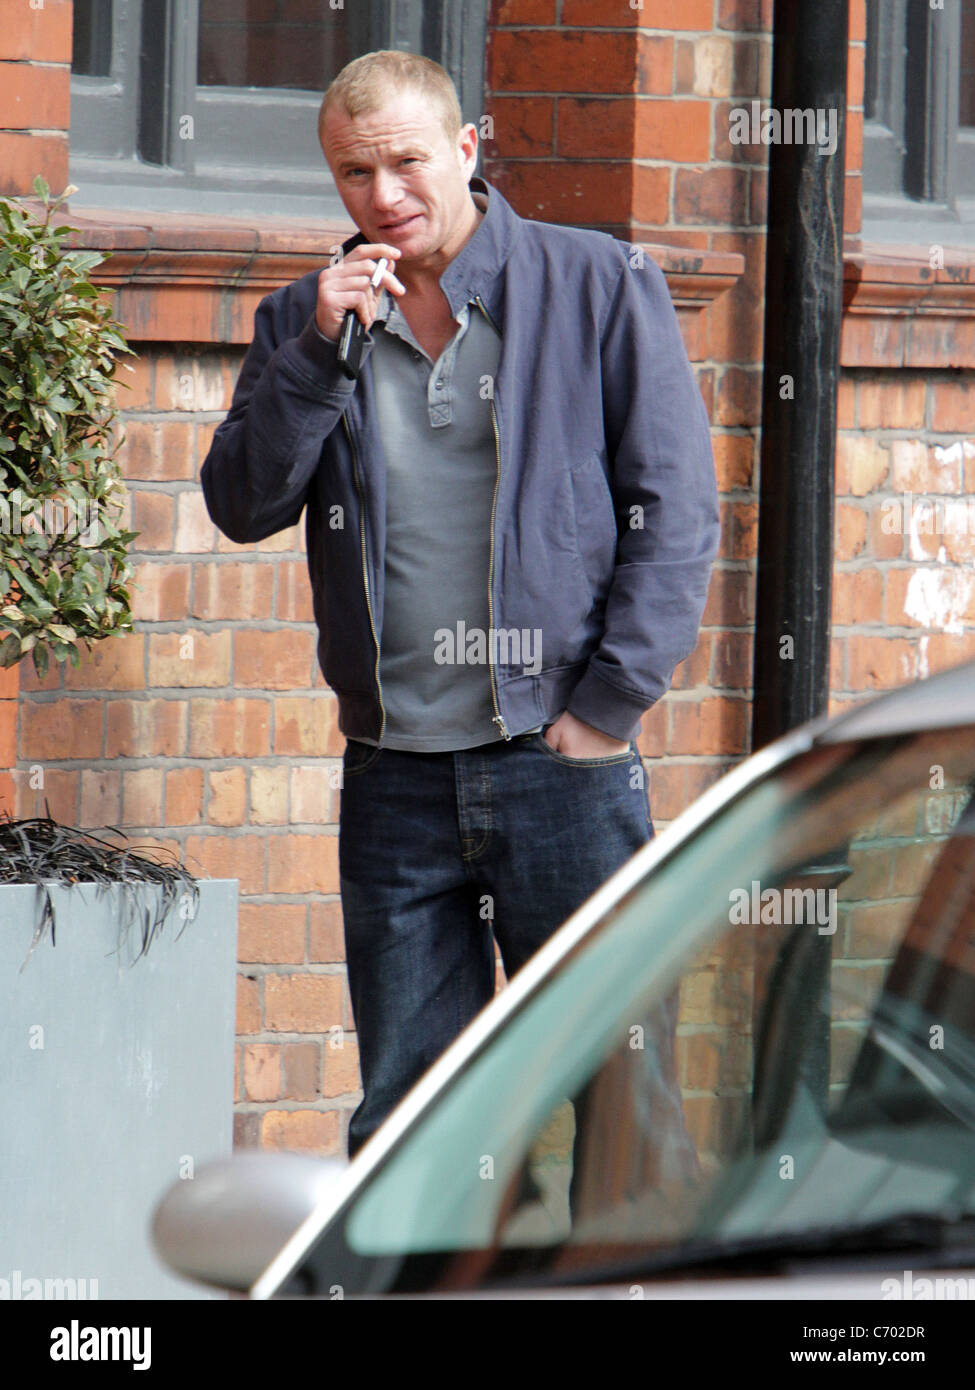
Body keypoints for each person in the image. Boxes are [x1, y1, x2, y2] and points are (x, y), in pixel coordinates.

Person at [200, 50, 720, 1160]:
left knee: (625, 1100)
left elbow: (674, 512)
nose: (382, 196)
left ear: (469, 150)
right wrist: (315, 359)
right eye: (353, 173)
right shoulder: (306, 318)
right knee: (408, 1122)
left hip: (560, 762)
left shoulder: (598, 285)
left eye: (405, 163)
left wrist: (608, 710)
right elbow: (243, 504)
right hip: (395, 773)